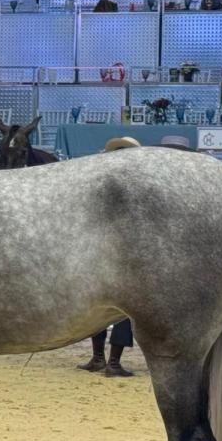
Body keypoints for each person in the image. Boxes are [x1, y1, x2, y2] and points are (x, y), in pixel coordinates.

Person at [76, 136, 141, 377]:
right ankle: (109, 361)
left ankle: (102, 359)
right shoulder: (133, 183)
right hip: (119, 249)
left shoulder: (102, 180)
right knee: (118, 307)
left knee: (105, 305)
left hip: (102, 248)